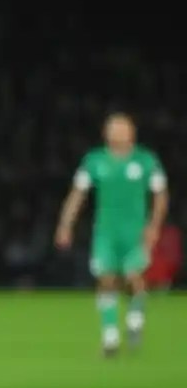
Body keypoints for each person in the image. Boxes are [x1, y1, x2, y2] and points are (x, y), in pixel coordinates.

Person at [55, 113, 169, 356]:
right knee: (106, 279)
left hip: (135, 234)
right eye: (112, 129)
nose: (116, 134)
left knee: (132, 277)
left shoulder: (146, 160)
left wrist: (154, 226)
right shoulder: (94, 161)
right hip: (105, 233)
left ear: (131, 133)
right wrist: (65, 224)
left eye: (122, 129)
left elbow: (160, 196)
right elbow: (77, 194)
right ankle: (110, 338)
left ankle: (135, 319)